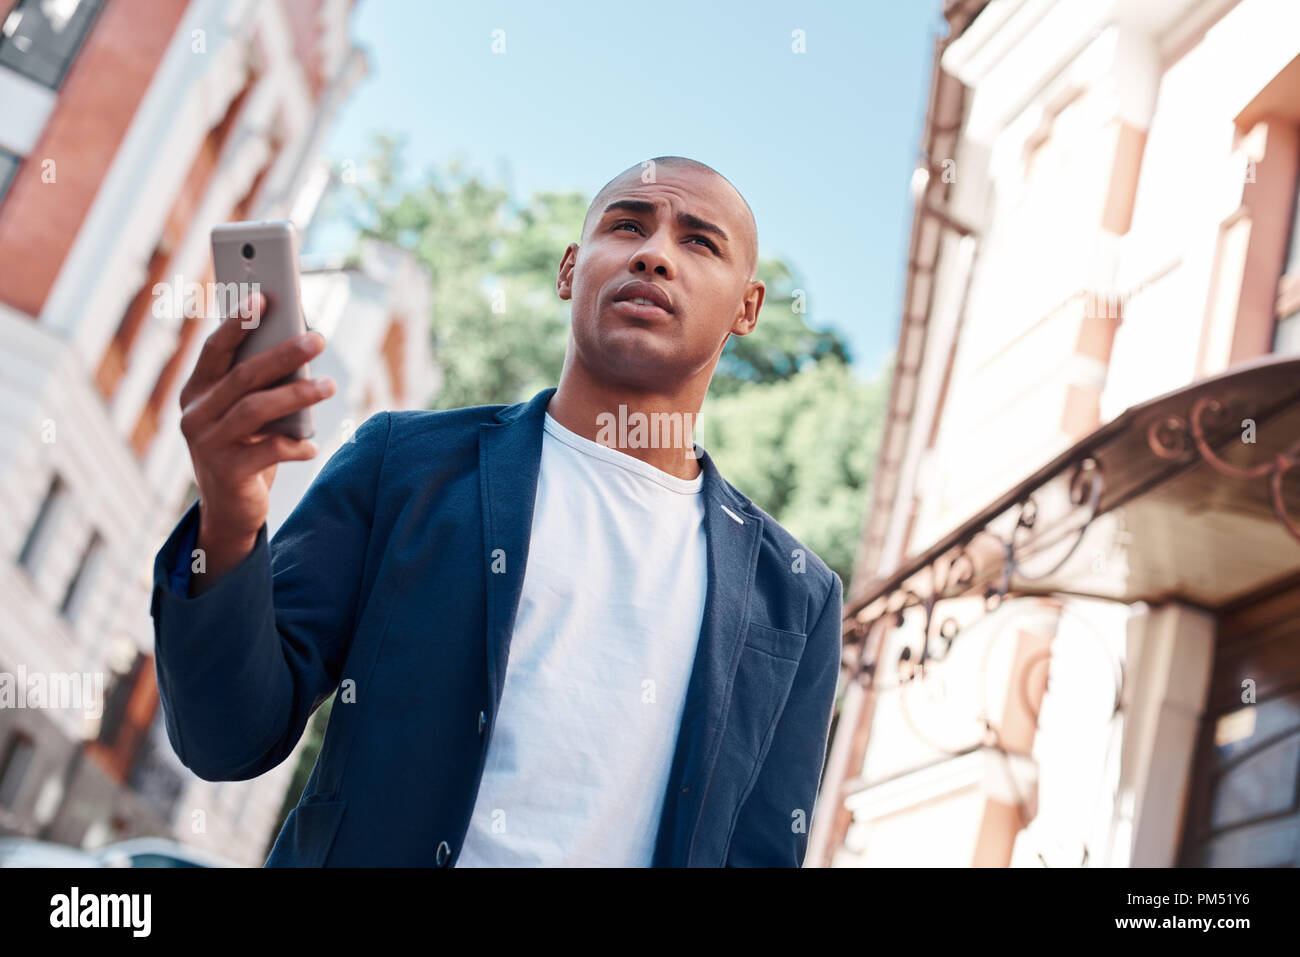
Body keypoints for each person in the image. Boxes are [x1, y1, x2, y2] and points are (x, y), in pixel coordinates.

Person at [151, 156, 844, 867]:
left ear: (748, 308)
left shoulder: (794, 595)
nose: (654, 253)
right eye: (627, 225)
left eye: (699, 241)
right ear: (570, 269)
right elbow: (227, 737)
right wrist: (230, 515)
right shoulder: (404, 464)